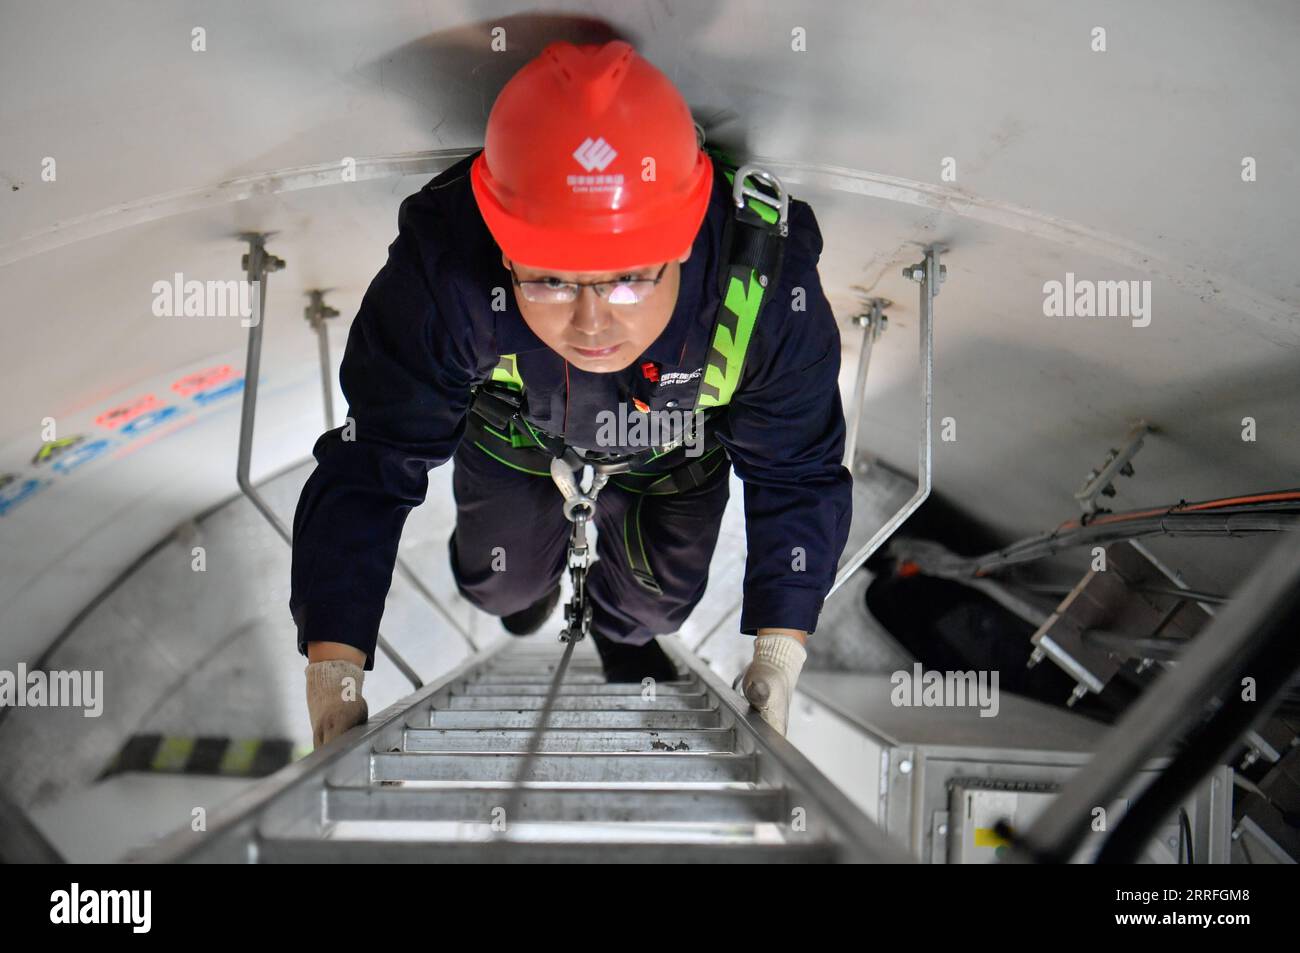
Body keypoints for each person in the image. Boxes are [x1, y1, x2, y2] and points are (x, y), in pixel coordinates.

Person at [295, 40, 852, 749]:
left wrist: (778, 651)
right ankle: (521, 605)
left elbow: (797, 470)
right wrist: (334, 660)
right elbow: (373, 458)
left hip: (672, 450)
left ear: (683, 241)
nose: (591, 324)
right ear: (501, 248)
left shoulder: (761, 288)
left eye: (628, 279)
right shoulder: (445, 276)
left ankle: (625, 636)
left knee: (658, 609)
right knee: (497, 583)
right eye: (549, 281)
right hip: (515, 434)